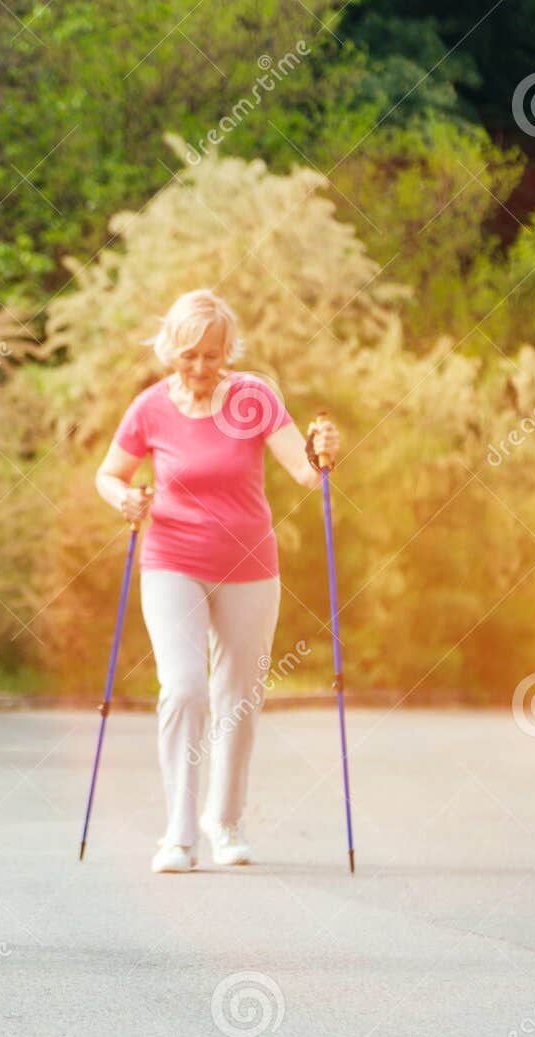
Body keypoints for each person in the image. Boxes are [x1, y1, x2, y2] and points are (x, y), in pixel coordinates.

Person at [94, 289, 339, 872]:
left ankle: (224, 823)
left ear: (229, 351)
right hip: (172, 559)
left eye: (213, 354)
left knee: (240, 699)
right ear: (169, 350)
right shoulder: (150, 407)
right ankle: (179, 832)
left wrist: (323, 451)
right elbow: (108, 474)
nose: (201, 367)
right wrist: (125, 498)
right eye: (189, 355)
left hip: (250, 566)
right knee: (183, 688)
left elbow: (306, 473)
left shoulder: (253, 398)